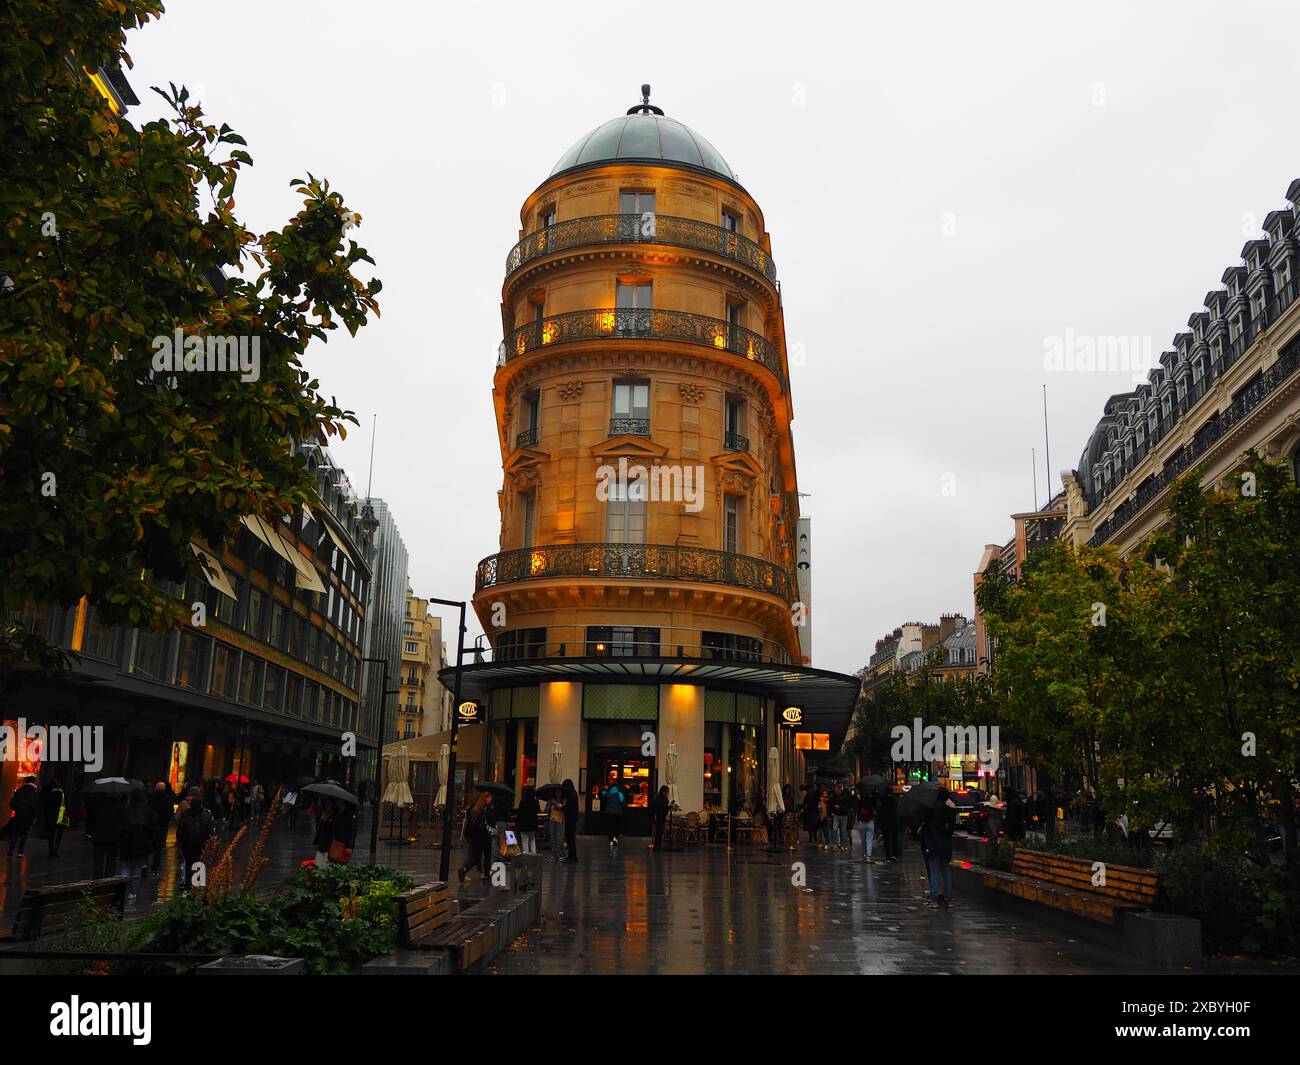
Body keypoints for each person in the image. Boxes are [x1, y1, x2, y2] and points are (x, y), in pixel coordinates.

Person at [920, 788, 958, 908]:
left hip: (933, 844)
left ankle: (934, 896)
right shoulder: (949, 810)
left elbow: (927, 829)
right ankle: (948, 896)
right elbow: (951, 829)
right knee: (946, 870)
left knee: (934, 870)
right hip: (946, 846)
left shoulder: (931, 810)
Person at [119, 789, 159, 898]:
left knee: (125, 866)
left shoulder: (126, 809)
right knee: (137, 868)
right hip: (142, 844)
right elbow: (154, 827)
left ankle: (121, 891)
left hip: (126, 843)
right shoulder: (149, 811)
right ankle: (133, 892)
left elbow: (120, 826)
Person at [177, 788, 215, 892]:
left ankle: (189, 886)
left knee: (189, 864)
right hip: (202, 845)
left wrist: (181, 842)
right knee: (200, 863)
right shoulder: (206, 815)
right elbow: (211, 831)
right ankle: (198, 886)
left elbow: (180, 831)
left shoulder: (186, 815)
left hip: (187, 845)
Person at [87, 793, 125, 877]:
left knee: (98, 860)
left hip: (98, 836)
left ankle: (97, 879)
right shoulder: (119, 807)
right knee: (111, 860)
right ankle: (108, 878)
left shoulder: (97, 805)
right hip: (113, 838)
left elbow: (91, 820)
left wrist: (91, 832)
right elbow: (122, 823)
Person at [459, 792, 493, 883]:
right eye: (489, 798)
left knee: (476, 857)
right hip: (483, 836)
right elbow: (487, 822)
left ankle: (464, 869)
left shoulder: (474, 808)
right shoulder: (485, 809)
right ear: (485, 798)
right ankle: (484, 873)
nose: (491, 799)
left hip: (475, 837)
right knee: (485, 855)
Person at [4, 775, 39, 858]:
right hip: (28, 817)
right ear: (33, 782)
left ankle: (11, 849)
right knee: (24, 834)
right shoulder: (34, 792)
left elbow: (12, 803)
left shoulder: (19, 791)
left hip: (18, 815)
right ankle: (20, 852)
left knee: (16, 832)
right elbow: (35, 806)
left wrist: (17, 809)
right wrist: (35, 816)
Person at [148, 781, 174, 876]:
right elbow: (170, 813)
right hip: (162, 826)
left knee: (148, 846)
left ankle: (145, 866)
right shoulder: (168, 799)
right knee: (159, 848)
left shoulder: (150, 797)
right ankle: (154, 869)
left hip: (150, 826)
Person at [41, 777, 69, 858]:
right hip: (61, 817)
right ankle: (56, 850)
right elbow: (67, 806)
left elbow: (45, 806)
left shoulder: (49, 794)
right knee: (59, 835)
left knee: (51, 834)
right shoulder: (63, 795)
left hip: (51, 817)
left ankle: (51, 850)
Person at [602, 776, 627, 851]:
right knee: (617, 827)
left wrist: (605, 789)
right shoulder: (620, 794)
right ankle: (615, 839)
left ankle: (610, 841)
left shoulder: (608, 794)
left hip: (609, 813)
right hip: (618, 814)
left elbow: (603, 794)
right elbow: (623, 804)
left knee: (610, 827)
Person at [876, 787, 900, 863]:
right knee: (894, 839)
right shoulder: (895, 800)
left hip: (885, 822)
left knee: (886, 840)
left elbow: (879, 811)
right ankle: (894, 855)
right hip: (894, 822)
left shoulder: (882, 800)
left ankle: (888, 856)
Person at [331, 798, 357, 865]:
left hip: (344, 843)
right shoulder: (337, 812)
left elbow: (352, 831)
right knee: (335, 861)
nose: (337, 802)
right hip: (336, 842)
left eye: (339, 801)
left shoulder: (350, 814)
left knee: (342, 862)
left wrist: (350, 846)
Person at [516, 786, 540, 855]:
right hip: (532, 823)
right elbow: (538, 810)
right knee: (532, 840)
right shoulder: (535, 801)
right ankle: (533, 854)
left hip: (523, 824)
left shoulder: (523, 802)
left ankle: (525, 855)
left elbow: (519, 813)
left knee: (524, 841)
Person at [313, 798, 336, 867]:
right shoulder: (323, 815)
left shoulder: (334, 817)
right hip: (321, 844)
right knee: (318, 865)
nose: (327, 806)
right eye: (326, 805)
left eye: (329, 804)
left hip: (329, 845)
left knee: (326, 865)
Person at [856, 785, 876, 864]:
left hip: (862, 821)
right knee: (869, 840)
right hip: (870, 821)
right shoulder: (872, 800)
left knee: (863, 840)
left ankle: (862, 856)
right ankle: (868, 857)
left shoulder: (861, 801)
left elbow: (858, 810)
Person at [546, 789, 567, 862]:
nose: (558, 793)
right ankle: (555, 855)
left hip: (561, 820)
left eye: (559, 791)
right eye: (556, 791)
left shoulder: (564, 799)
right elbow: (546, 809)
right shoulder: (551, 800)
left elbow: (564, 808)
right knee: (553, 838)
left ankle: (563, 855)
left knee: (559, 838)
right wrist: (551, 808)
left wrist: (558, 806)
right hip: (552, 819)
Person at [562, 779, 580, 863]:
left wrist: (562, 807)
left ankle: (572, 857)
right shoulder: (573, 793)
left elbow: (569, 808)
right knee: (570, 838)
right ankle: (572, 856)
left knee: (570, 838)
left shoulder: (571, 795)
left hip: (571, 819)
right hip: (572, 819)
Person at [831, 783, 852, 853]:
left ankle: (843, 845)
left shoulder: (845, 797)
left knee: (843, 830)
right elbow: (832, 804)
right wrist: (832, 811)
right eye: (835, 790)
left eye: (837, 790)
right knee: (834, 829)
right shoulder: (834, 796)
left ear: (840, 789)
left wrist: (839, 808)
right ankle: (835, 844)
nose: (836, 791)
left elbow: (847, 806)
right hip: (836, 815)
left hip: (844, 815)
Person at [650, 785, 671, 851]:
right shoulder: (659, 798)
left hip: (662, 817)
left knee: (660, 832)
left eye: (667, 792)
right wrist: (668, 807)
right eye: (666, 791)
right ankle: (656, 846)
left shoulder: (663, 798)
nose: (667, 793)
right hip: (658, 817)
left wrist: (668, 807)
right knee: (658, 832)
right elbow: (661, 808)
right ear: (663, 791)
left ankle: (658, 846)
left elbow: (664, 807)